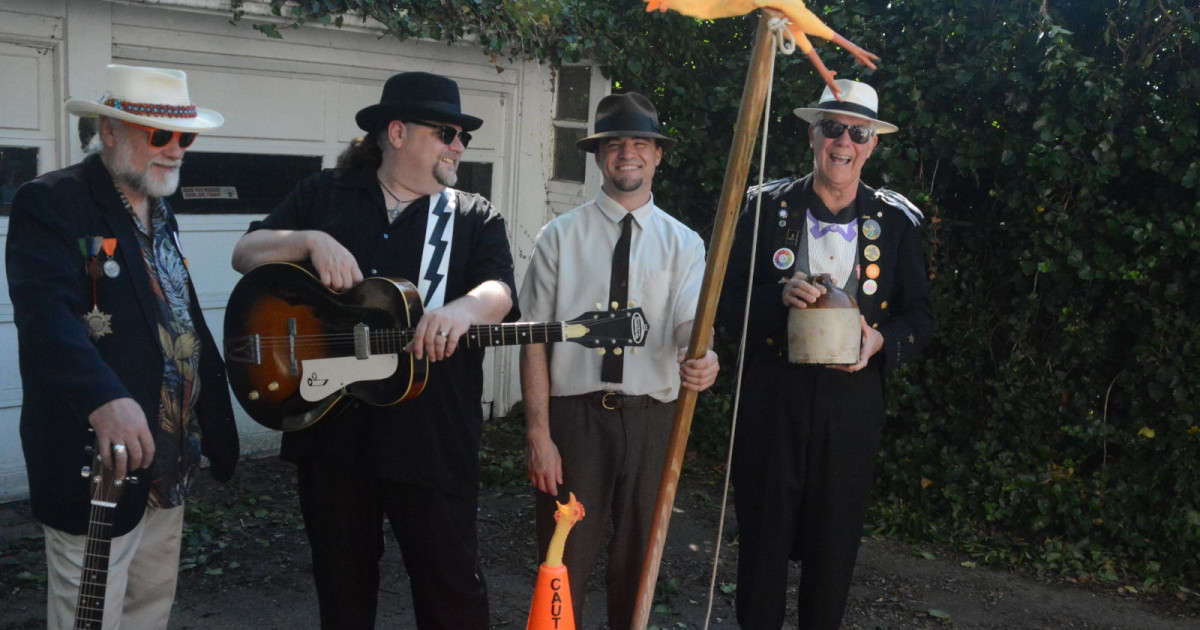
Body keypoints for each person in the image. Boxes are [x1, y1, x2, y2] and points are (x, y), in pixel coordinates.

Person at [230, 71, 517, 629]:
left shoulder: (474, 216)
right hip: (332, 429)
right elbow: (246, 253)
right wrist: (309, 240)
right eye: (447, 132)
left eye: (463, 136)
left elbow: (499, 292)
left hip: (432, 433)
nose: (459, 145)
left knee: (450, 583)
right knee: (341, 582)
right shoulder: (323, 195)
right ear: (398, 132)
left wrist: (460, 310)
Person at [6, 64, 239, 628]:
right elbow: (45, 316)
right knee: (92, 618)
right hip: (98, 464)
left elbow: (177, 313)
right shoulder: (52, 200)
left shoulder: (160, 207)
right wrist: (102, 397)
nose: (176, 151)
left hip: (168, 462)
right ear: (109, 131)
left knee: (147, 611)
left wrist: (217, 415)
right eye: (159, 136)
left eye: (185, 137)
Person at [717, 79, 935, 629]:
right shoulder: (765, 207)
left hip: (852, 405)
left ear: (872, 144)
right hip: (772, 399)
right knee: (763, 543)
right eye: (833, 128)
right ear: (814, 133)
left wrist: (882, 340)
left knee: (834, 547)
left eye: (857, 132)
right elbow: (721, 298)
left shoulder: (896, 221)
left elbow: (920, 317)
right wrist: (776, 298)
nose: (844, 141)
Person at [521, 92, 720, 630]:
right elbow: (533, 340)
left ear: (658, 154)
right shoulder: (559, 238)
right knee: (565, 557)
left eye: (639, 143)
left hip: (654, 420)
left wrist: (701, 354)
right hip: (575, 421)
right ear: (599, 155)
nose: (627, 153)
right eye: (614, 143)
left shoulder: (684, 244)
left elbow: (686, 322)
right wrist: (539, 434)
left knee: (641, 562)